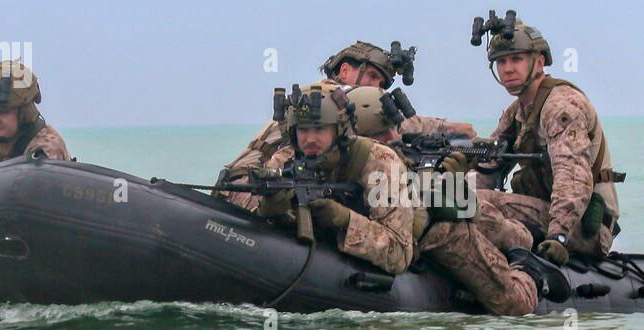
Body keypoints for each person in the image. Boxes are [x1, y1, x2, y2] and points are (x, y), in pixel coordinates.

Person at [344, 86, 568, 315]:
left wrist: (454, 181)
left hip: (444, 229)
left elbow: (461, 208)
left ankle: (529, 271)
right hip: (438, 225)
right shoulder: (353, 160)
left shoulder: (395, 162)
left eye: (393, 129)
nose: (393, 138)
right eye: (381, 135)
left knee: (514, 298)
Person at [218, 41, 473, 210]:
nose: (377, 89)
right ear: (345, 70)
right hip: (247, 189)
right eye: (373, 77)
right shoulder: (331, 100)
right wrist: (451, 129)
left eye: (382, 84)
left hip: (256, 182)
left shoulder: (319, 98)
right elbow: (398, 122)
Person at [462, 15, 624, 266]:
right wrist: (451, 182)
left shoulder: (561, 107)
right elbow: (489, 166)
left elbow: (572, 180)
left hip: (584, 228)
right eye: (501, 62)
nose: (507, 68)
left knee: (476, 203)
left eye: (516, 59)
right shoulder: (518, 112)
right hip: (546, 211)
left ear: (538, 62)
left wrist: (558, 237)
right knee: (458, 196)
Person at [255, 83, 414, 275]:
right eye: (303, 130)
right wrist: (271, 209)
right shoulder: (282, 162)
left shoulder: (380, 162)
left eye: (320, 129)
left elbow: (399, 255)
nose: (310, 139)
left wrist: (344, 219)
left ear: (339, 130)